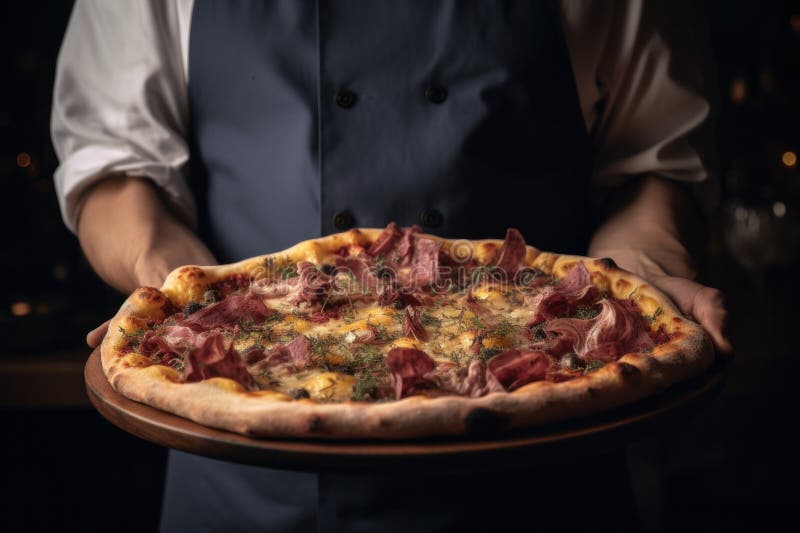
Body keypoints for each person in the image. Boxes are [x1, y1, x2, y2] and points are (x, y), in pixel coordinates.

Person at [52, 1, 731, 531]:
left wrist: (639, 282)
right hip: (242, 486)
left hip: (543, 479)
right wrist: (182, 303)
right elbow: (114, 166)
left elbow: (653, 167)